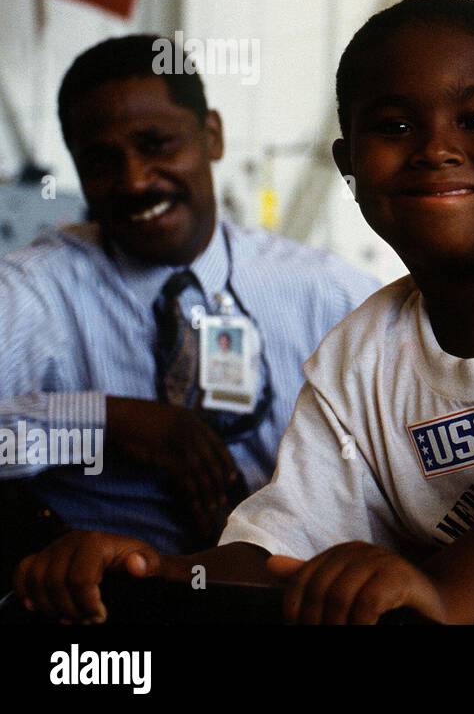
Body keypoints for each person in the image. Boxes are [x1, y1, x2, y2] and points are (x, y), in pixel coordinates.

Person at [11, 0, 474, 625]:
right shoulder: (358, 348)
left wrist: (444, 590)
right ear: (348, 167)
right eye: (393, 127)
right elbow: (277, 548)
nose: (435, 149)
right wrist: (153, 568)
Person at [0, 35, 378, 578]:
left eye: (156, 145)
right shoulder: (35, 290)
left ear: (213, 136)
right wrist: (103, 419)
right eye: (101, 161)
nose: (134, 180)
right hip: (115, 599)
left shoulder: (323, 292)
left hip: (286, 590)